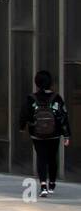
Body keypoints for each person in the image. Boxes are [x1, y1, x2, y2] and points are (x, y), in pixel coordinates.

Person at [18, 70, 72, 198]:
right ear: (50, 83)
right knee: (52, 157)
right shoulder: (57, 98)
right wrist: (67, 135)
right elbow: (63, 117)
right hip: (54, 134)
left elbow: (24, 114)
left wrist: (22, 127)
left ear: (37, 83)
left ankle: (43, 186)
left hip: (37, 134)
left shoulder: (31, 98)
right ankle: (52, 183)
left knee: (41, 157)